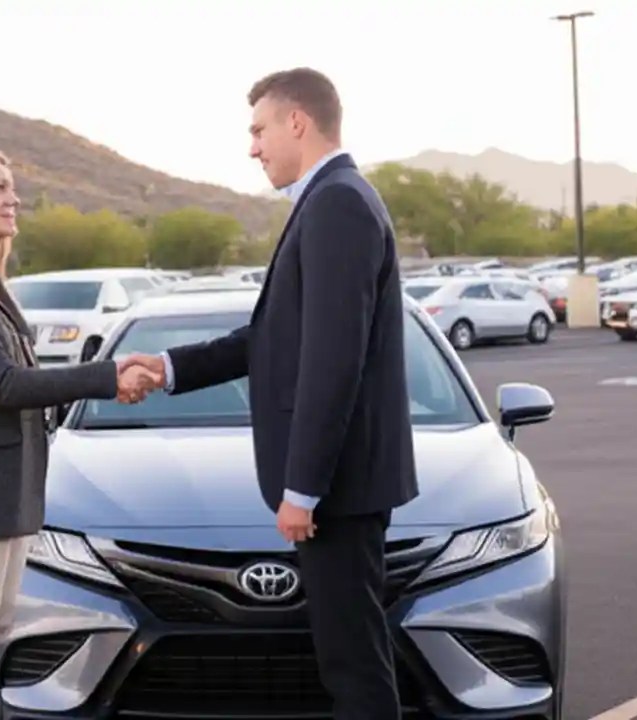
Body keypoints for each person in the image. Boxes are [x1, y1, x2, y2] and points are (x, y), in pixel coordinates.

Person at [119, 68, 418, 719]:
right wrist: (168, 366)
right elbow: (271, 342)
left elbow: (333, 361)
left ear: (297, 123)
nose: (253, 147)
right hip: (341, 488)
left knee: (355, 672)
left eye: (258, 130)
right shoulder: (329, 200)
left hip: (339, 491)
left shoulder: (339, 203)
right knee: (349, 662)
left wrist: (302, 488)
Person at [0, 142, 160, 720]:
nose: (14, 197)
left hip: (9, 489)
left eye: (11, 186)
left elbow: (22, 382)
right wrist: (109, 375)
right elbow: (4, 385)